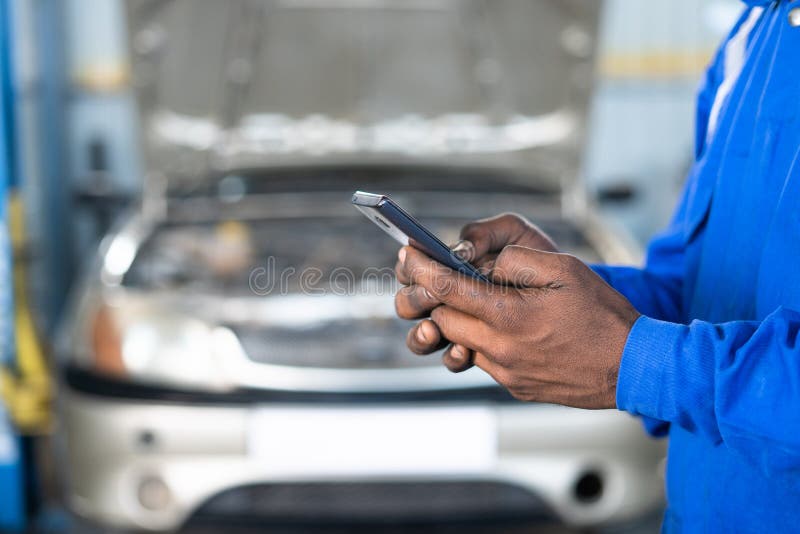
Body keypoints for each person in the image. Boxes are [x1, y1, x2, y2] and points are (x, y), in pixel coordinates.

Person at [393, 1, 800, 531]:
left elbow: (666, 357)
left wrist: (637, 361)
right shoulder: (751, 38)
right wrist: (555, 299)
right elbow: (694, 299)